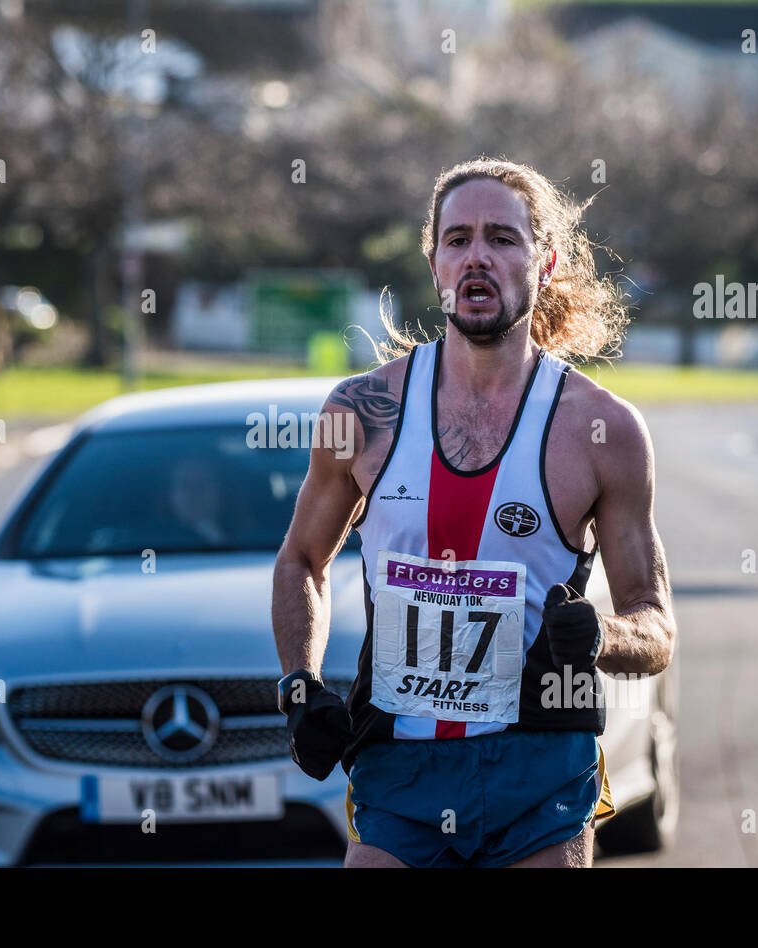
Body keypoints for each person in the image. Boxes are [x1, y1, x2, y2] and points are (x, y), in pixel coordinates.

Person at [271, 157, 676, 868]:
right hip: (399, 765)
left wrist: (602, 633)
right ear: (434, 264)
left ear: (545, 262)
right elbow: (302, 560)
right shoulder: (358, 413)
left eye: (502, 238)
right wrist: (300, 684)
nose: (477, 257)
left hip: (541, 768)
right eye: (457, 240)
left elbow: (656, 624)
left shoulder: (602, 429)